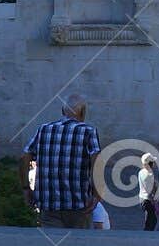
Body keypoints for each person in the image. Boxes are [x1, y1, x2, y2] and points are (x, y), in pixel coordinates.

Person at [19, 93, 101, 229]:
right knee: (77, 245)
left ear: (63, 111)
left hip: (48, 205)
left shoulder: (44, 129)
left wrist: (26, 188)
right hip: (78, 205)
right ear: (83, 112)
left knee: (53, 245)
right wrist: (97, 193)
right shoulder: (88, 131)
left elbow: (24, 158)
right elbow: (96, 161)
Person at [138, 152, 159, 230]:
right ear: (151, 164)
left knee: (149, 220)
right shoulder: (150, 174)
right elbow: (150, 191)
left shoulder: (141, 172)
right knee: (151, 222)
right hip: (148, 201)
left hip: (142, 199)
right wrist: (155, 204)